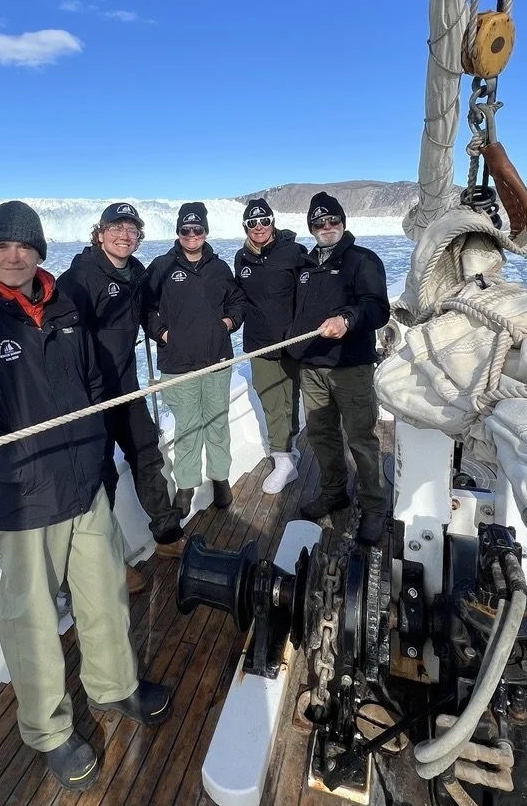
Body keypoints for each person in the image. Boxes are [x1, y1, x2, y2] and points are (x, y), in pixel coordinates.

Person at [0, 201, 170, 793]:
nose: (14, 256)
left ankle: (115, 686)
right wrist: (24, 471)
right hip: (23, 504)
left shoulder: (62, 310)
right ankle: (49, 730)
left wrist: (90, 451)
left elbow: (93, 385)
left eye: (25, 246)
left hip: (84, 487)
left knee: (104, 596)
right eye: (2, 246)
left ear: (40, 250)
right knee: (33, 624)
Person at [56, 202, 186, 561]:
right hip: (91, 396)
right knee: (101, 476)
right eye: (116, 228)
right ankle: (106, 562)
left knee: (146, 453)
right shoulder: (79, 279)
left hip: (125, 387)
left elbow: (144, 312)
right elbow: (64, 340)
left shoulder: (136, 274)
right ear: (99, 234)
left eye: (131, 230)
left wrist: (160, 330)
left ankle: (167, 533)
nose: (124, 236)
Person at [287, 192, 390, 546]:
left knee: (361, 437)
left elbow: (377, 309)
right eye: (319, 223)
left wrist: (348, 318)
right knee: (321, 435)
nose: (326, 227)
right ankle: (334, 493)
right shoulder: (306, 265)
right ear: (311, 228)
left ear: (343, 222)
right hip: (312, 366)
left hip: (350, 366)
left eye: (332, 221)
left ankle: (374, 505)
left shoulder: (362, 261)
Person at [144, 202, 246, 516]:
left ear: (205, 232)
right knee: (188, 427)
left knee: (216, 423)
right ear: (178, 232)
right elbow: (144, 308)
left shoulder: (219, 267)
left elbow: (237, 301)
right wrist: (163, 334)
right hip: (176, 364)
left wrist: (227, 324)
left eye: (197, 229)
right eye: (186, 229)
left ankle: (219, 478)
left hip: (216, 360)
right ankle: (187, 485)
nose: (192, 235)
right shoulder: (162, 266)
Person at [234, 198, 307, 493]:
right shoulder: (242, 258)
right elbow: (238, 298)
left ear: (272, 222)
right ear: (246, 227)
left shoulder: (294, 253)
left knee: (290, 398)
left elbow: (309, 292)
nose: (259, 227)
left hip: (291, 340)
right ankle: (282, 459)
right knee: (270, 399)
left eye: (264, 221)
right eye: (252, 223)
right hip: (259, 343)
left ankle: (287, 449)